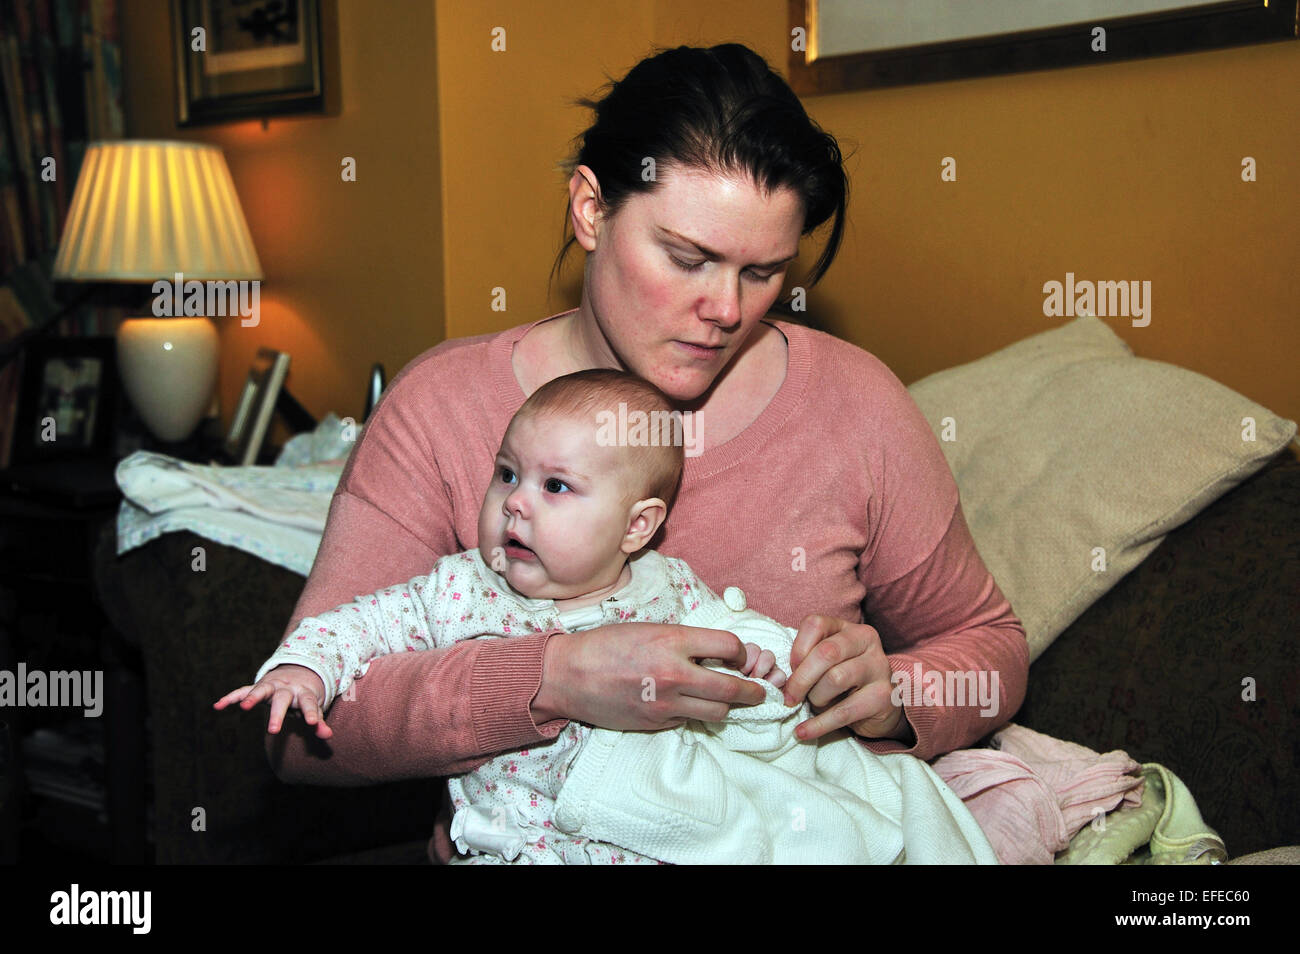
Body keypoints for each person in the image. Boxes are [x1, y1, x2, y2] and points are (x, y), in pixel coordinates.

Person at [264, 43, 1030, 864]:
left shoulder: (856, 404)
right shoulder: (441, 411)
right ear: (591, 209)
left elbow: (988, 643)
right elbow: (305, 735)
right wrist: (549, 679)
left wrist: (894, 698)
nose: (726, 309)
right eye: (688, 258)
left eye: (764, 271)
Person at [218, 370, 797, 863]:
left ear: (636, 526)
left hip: (649, 839)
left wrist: (772, 665)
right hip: (511, 845)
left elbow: (741, 641)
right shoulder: (465, 587)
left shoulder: (668, 589)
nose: (516, 501)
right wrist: (304, 670)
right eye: (507, 474)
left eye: (556, 486)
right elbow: (362, 622)